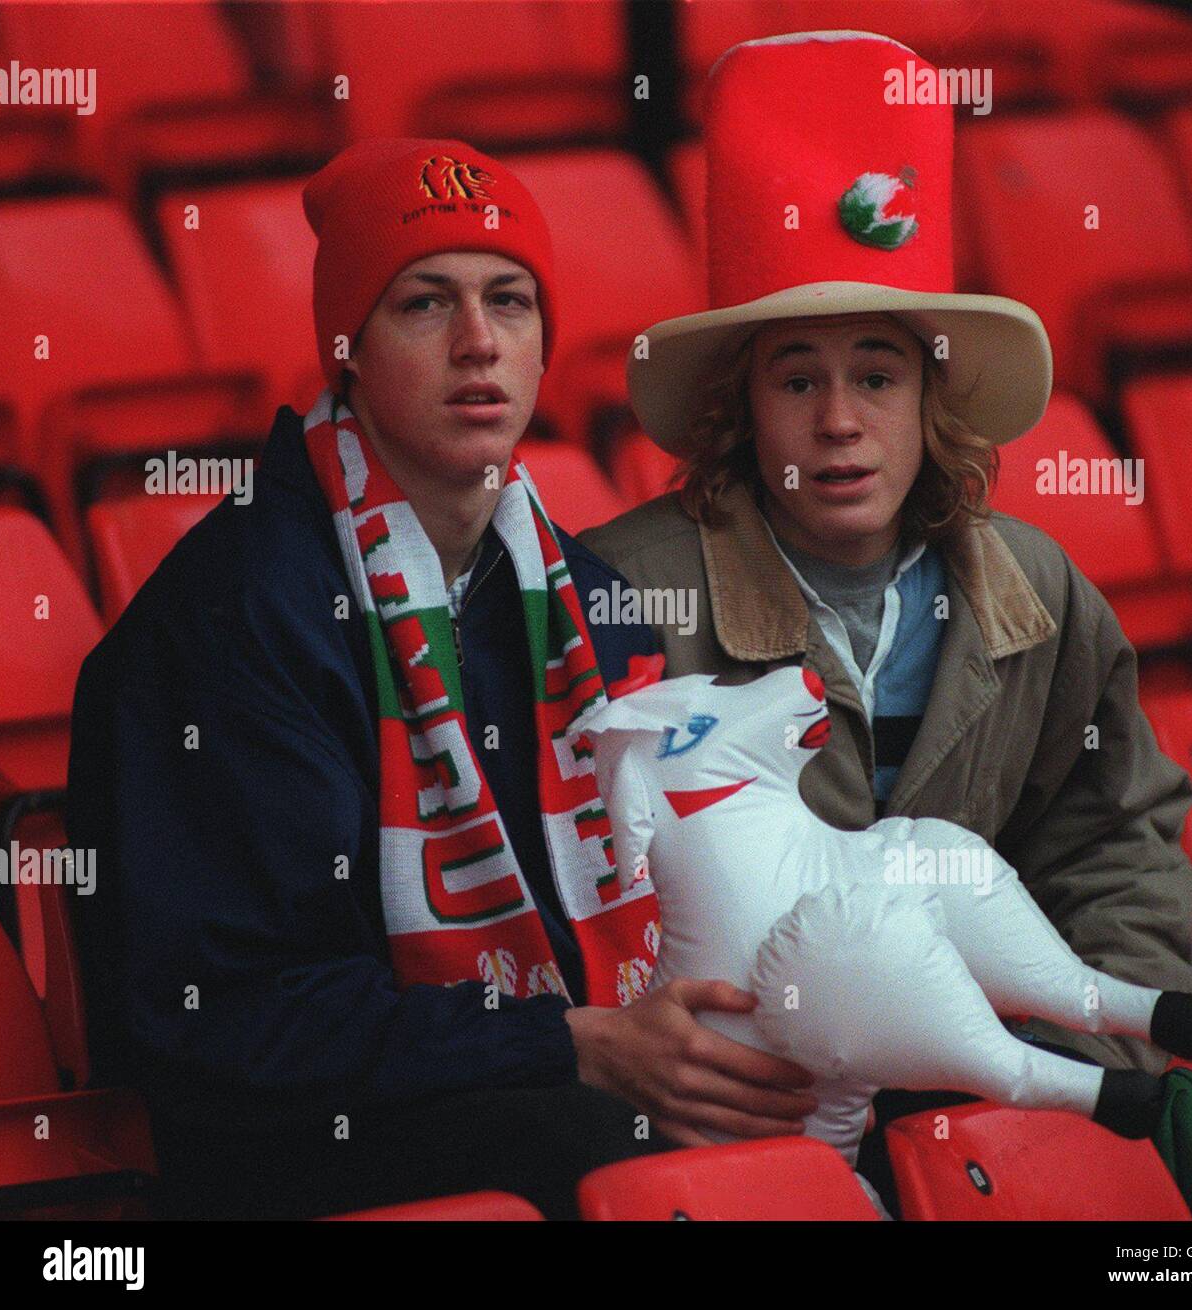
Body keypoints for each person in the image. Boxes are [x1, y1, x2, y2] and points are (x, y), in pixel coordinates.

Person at [66, 138, 816, 1221]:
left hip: (545, 1065)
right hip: (289, 1141)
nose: (478, 343)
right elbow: (232, 1014)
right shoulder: (237, 619)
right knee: (612, 1149)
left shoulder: (585, 598)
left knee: (845, 1090)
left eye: (509, 302)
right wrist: (567, 1043)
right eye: (424, 304)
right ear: (346, 351)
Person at [579, 33, 1192, 1211]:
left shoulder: (1038, 582)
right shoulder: (621, 589)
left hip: (994, 1113)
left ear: (933, 397)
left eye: (875, 373)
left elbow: (1113, 836)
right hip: (729, 1139)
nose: (838, 421)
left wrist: (1076, 1086)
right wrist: (643, 1072)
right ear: (741, 406)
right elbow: (571, 904)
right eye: (794, 378)